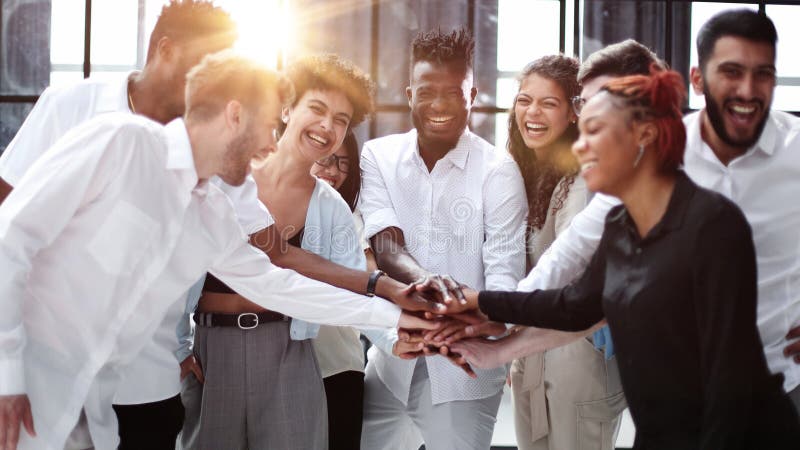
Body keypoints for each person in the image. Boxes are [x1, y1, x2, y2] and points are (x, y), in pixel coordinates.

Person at [0, 50, 436, 450]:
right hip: (22, 392)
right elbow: (10, 239)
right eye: (267, 126)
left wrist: (397, 318)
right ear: (234, 115)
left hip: (90, 413)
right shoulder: (121, 141)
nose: (270, 145)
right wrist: (8, 377)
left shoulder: (212, 213)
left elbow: (276, 284)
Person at [454, 10, 800, 415]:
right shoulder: (649, 167)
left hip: (779, 388)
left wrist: (490, 313)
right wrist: (492, 317)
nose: (746, 89)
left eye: (762, 73)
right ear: (698, 79)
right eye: (731, 72)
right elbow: (573, 273)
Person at [0, 2, 238, 448]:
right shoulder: (72, 105)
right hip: (46, 377)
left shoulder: (206, 147)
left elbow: (263, 252)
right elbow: (9, 216)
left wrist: (373, 287)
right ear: (166, 50)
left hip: (148, 388)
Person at [186, 53, 373, 449]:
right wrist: (177, 347)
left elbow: (355, 289)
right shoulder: (228, 179)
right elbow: (175, 269)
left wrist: (404, 331)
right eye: (318, 110)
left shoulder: (331, 207)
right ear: (286, 108)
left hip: (289, 351)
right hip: (210, 352)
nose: (328, 126)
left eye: (341, 120)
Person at [358, 28, 528, 450]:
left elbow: (504, 276)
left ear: (472, 94)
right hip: (388, 364)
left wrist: (467, 321)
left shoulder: (499, 171)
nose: (438, 105)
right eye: (427, 91)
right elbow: (385, 245)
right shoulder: (377, 156)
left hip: (465, 373)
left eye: (452, 92)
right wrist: (434, 283)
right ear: (409, 93)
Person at [505, 55, 623, 450]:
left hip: (578, 353)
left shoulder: (583, 177)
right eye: (524, 100)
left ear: (574, 113)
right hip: (533, 349)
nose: (532, 112)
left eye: (548, 103)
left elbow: (573, 261)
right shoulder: (523, 173)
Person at [311, 130, 375, 449]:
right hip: (283, 366)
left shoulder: (351, 219)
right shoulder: (270, 213)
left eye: (343, 163)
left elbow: (367, 274)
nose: (333, 170)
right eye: (325, 159)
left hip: (339, 366)